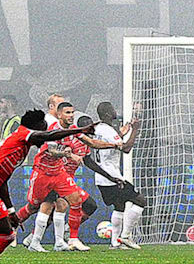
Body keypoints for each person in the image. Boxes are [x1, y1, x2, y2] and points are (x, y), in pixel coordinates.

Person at [27, 99, 96, 252]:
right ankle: (32, 240)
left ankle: (60, 242)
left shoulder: (73, 132)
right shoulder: (53, 130)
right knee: (41, 206)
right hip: (44, 172)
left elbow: (90, 144)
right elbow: (52, 151)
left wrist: (115, 145)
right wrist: (68, 154)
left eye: (72, 113)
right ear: (59, 115)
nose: (71, 115)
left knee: (65, 204)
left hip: (58, 174)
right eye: (68, 113)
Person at [84, 101, 144, 249]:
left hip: (102, 179)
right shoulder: (108, 131)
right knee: (140, 200)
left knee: (119, 206)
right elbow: (126, 148)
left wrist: (121, 134)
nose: (114, 111)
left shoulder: (99, 129)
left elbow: (111, 144)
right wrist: (135, 130)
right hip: (112, 177)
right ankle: (125, 236)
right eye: (112, 109)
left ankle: (115, 242)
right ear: (107, 114)